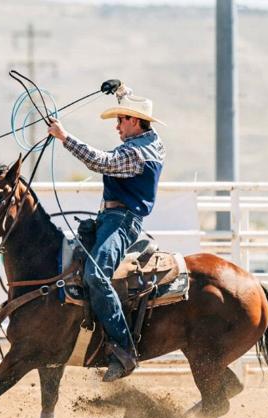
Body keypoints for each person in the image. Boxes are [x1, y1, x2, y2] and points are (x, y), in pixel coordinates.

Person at [47, 87, 165, 382]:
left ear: (136, 122)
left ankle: (124, 350)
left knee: (96, 275)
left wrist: (64, 137)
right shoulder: (148, 142)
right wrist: (123, 92)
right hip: (113, 218)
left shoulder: (136, 152)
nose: (117, 125)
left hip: (121, 221)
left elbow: (101, 162)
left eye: (121, 119)